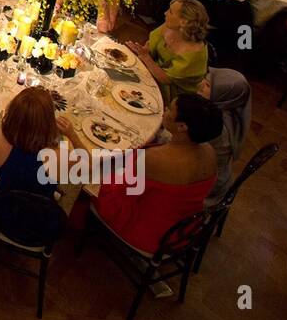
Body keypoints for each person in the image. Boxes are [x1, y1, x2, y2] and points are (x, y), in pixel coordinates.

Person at [89, 93, 223, 254]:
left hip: (153, 233)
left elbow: (120, 193)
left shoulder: (155, 158)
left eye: (170, 109)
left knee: (88, 174)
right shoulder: (210, 152)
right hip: (184, 225)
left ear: (182, 126)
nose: (165, 110)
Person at [0, 87, 65, 243]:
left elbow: (1, 128)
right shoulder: (58, 156)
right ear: (49, 121)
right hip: (40, 225)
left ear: (13, 114)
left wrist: (11, 115)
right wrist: (72, 134)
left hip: (2, 211)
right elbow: (88, 162)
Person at [127, 0, 210, 101]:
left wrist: (145, 57)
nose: (165, 13)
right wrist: (142, 51)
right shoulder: (169, 26)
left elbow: (166, 79)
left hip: (173, 92)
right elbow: (151, 45)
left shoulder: (194, 54)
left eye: (170, 12)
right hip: (152, 68)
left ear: (183, 22)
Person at [197, 68, 252, 205]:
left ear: (222, 94)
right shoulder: (223, 108)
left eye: (208, 85)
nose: (201, 84)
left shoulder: (216, 125)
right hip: (201, 168)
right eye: (206, 79)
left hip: (205, 186)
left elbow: (185, 147)